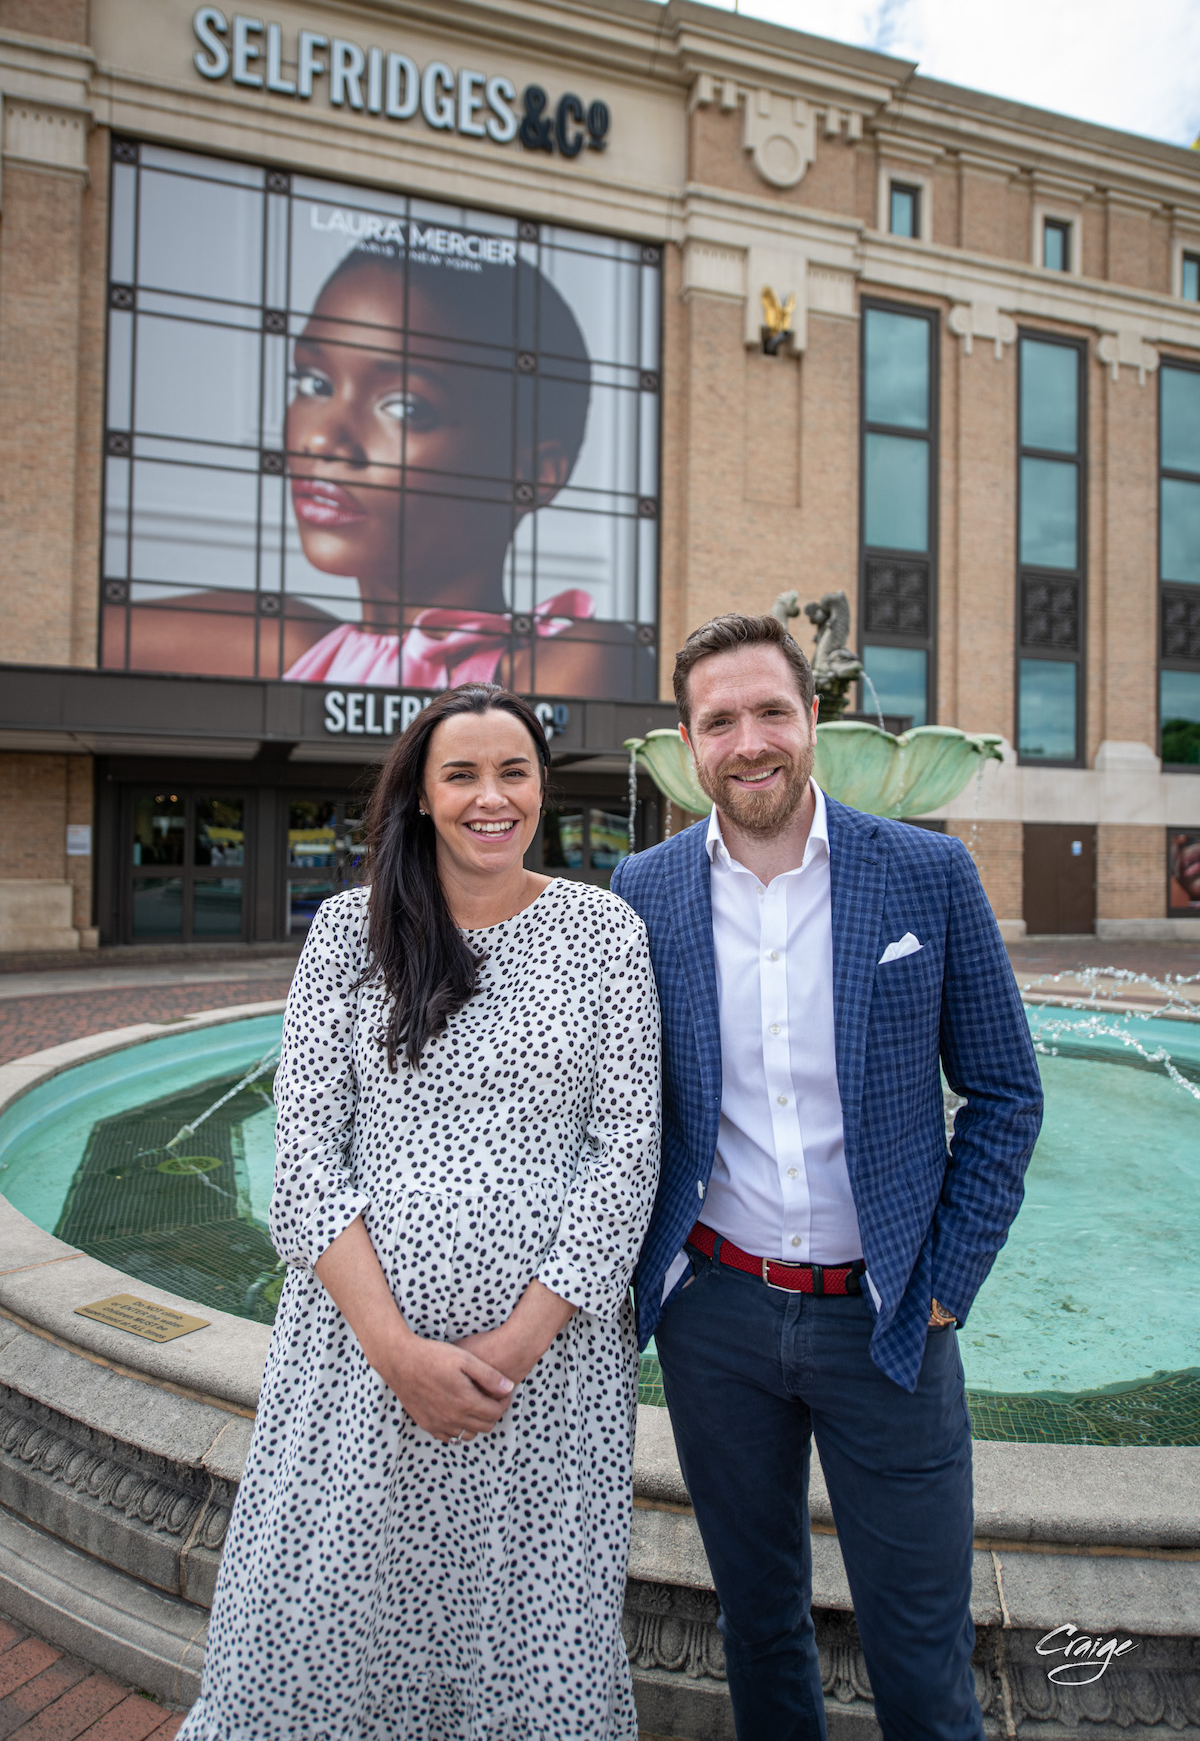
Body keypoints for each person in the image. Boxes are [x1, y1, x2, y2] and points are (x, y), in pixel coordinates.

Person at [180, 681, 661, 1741]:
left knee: (524, 1626)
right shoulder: (352, 933)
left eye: (514, 772)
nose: (492, 798)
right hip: (356, 1364)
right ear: (423, 797)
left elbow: (625, 1154)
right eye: (463, 774)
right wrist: (396, 1350)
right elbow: (304, 1157)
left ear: (542, 788)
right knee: (334, 1611)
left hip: (546, 1379)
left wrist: (518, 1344)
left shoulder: (605, 934)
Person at [610, 613, 1043, 1741]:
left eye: (769, 712)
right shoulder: (641, 890)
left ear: (813, 719)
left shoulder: (926, 872)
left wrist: (948, 1281)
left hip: (890, 1326)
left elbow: (1005, 1093)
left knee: (919, 1653)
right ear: (689, 742)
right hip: (716, 1323)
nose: (747, 741)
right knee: (756, 1627)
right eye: (719, 721)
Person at [122, 240, 636, 696]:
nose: (323, 439)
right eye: (313, 383)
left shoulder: (572, 658)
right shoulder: (283, 643)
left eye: (405, 407)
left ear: (533, 475)